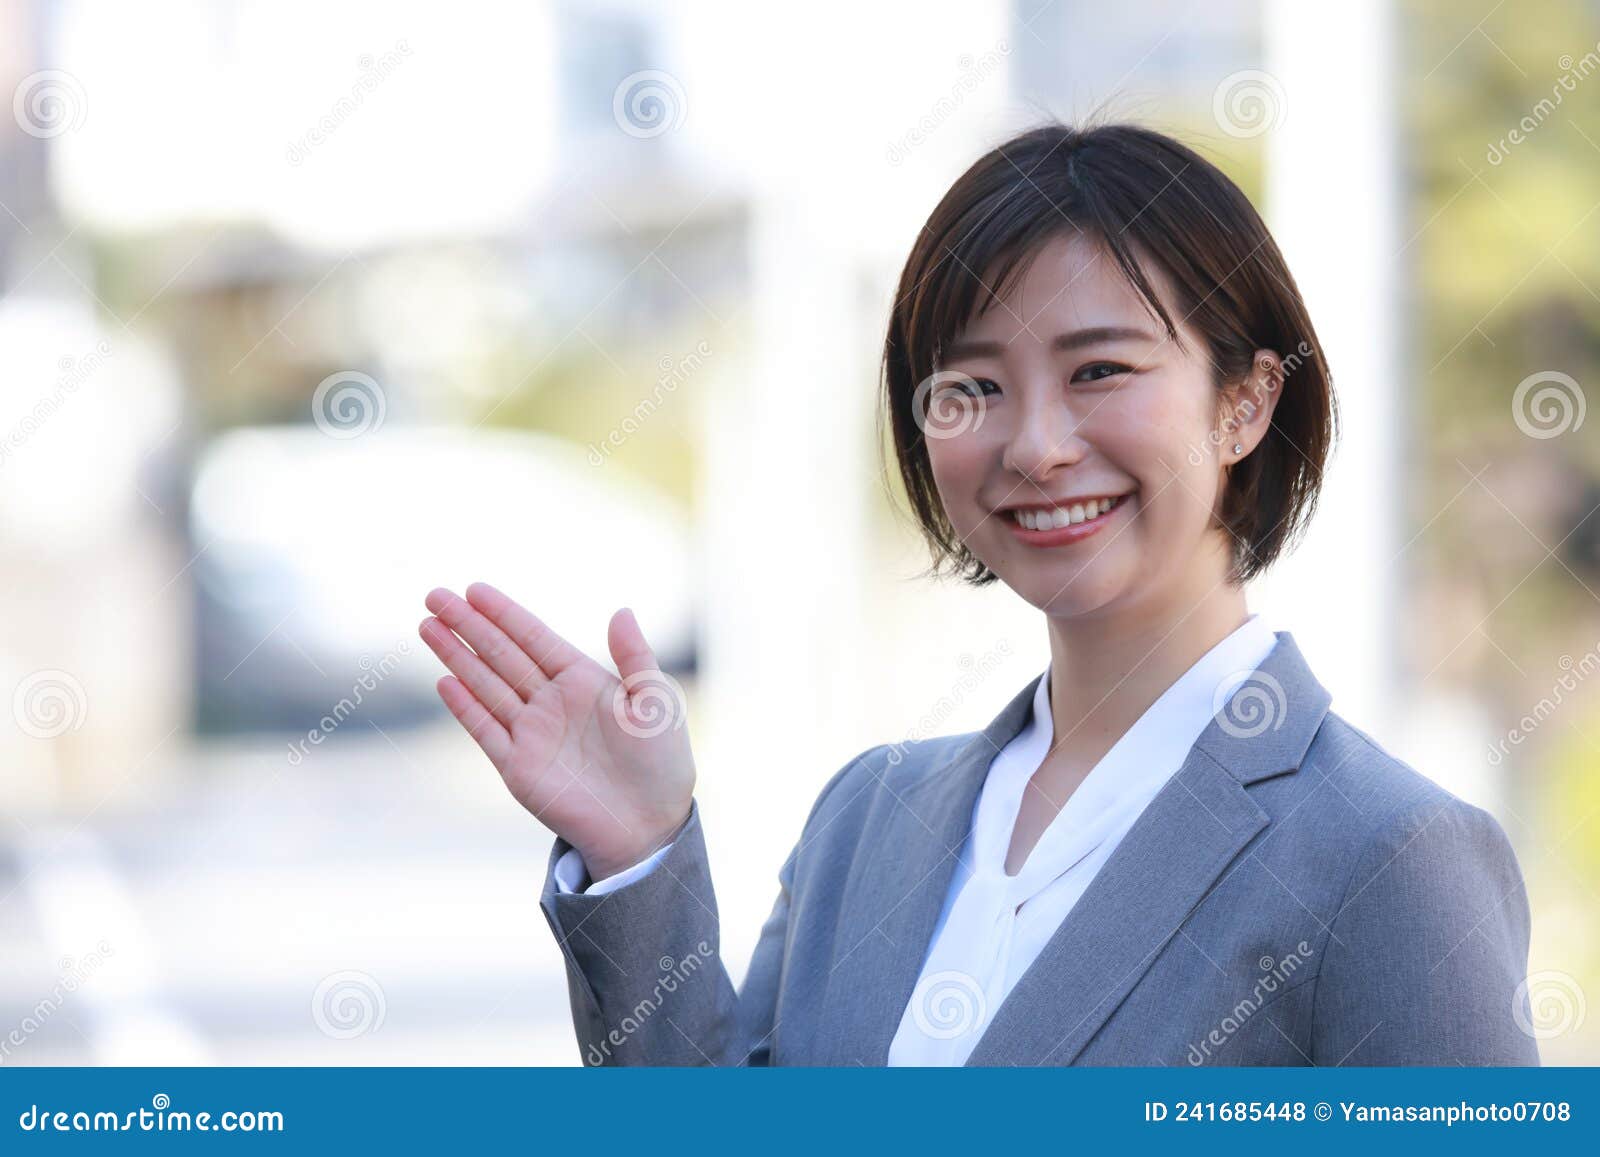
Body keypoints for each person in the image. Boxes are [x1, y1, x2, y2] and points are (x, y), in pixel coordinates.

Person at [419, 121, 1538, 1067]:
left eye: (1100, 370)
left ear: (1242, 404)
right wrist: (637, 852)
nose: (1037, 444)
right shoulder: (869, 817)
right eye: (973, 387)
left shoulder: (1387, 856)